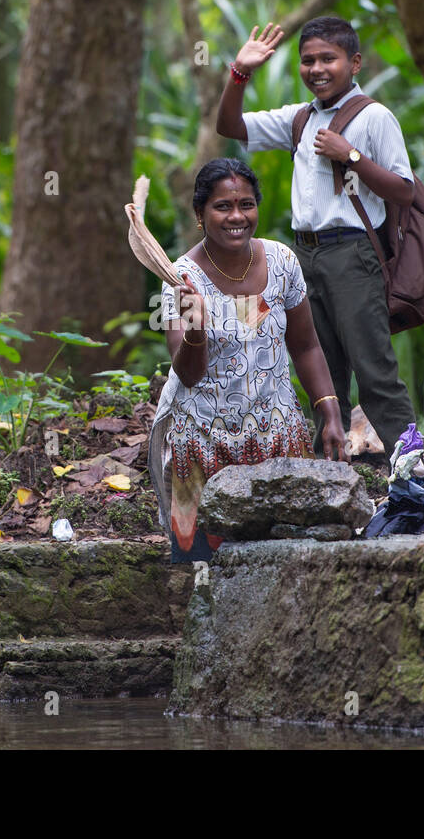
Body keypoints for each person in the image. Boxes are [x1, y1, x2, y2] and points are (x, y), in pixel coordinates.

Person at [215, 16, 416, 457]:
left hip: (352, 255)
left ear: (355, 62)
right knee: (323, 376)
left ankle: (418, 480)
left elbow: (404, 189)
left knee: (375, 373)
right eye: (308, 61)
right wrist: (240, 73)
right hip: (305, 259)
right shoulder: (299, 118)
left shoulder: (375, 117)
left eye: (329, 58)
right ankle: (333, 481)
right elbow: (230, 127)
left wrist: (353, 156)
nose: (317, 68)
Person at [147, 158, 347, 563]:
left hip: (276, 442)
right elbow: (186, 373)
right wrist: (197, 328)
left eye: (246, 204)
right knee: (204, 569)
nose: (237, 216)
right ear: (200, 215)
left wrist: (329, 411)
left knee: (284, 563)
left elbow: (306, 345)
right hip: (203, 447)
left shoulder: (282, 262)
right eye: (223, 206)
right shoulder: (181, 279)